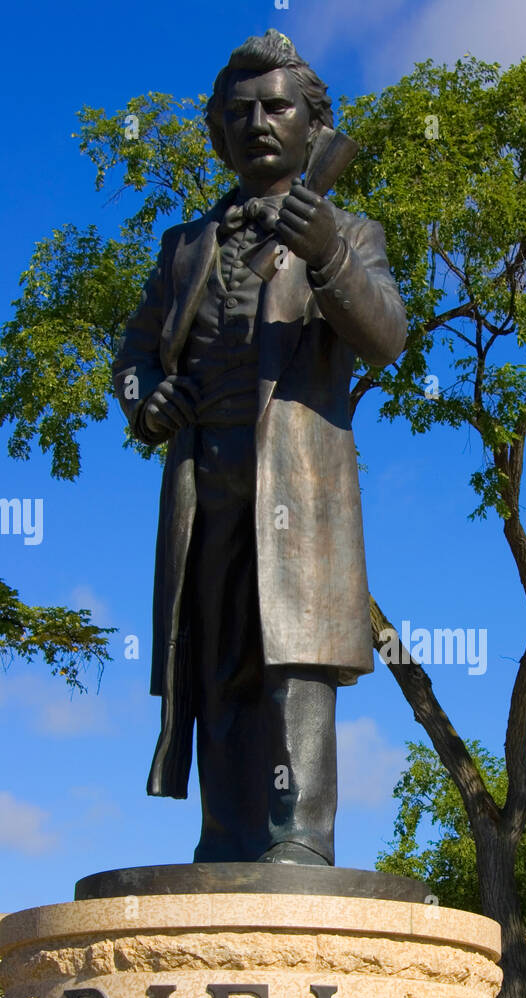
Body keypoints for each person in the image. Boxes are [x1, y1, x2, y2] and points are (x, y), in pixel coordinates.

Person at [112, 30, 406, 866]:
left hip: (299, 487)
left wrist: (329, 255)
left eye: (278, 106)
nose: (258, 122)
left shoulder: (350, 230)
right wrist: (147, 402)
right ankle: (229, 836)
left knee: (296, 663)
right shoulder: (182, 249)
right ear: (217, 131)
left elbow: (385, 335)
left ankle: (297, 838)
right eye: (238, 112)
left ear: (314, 126)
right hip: (205, 490)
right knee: (219, 664)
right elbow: (131, 362)